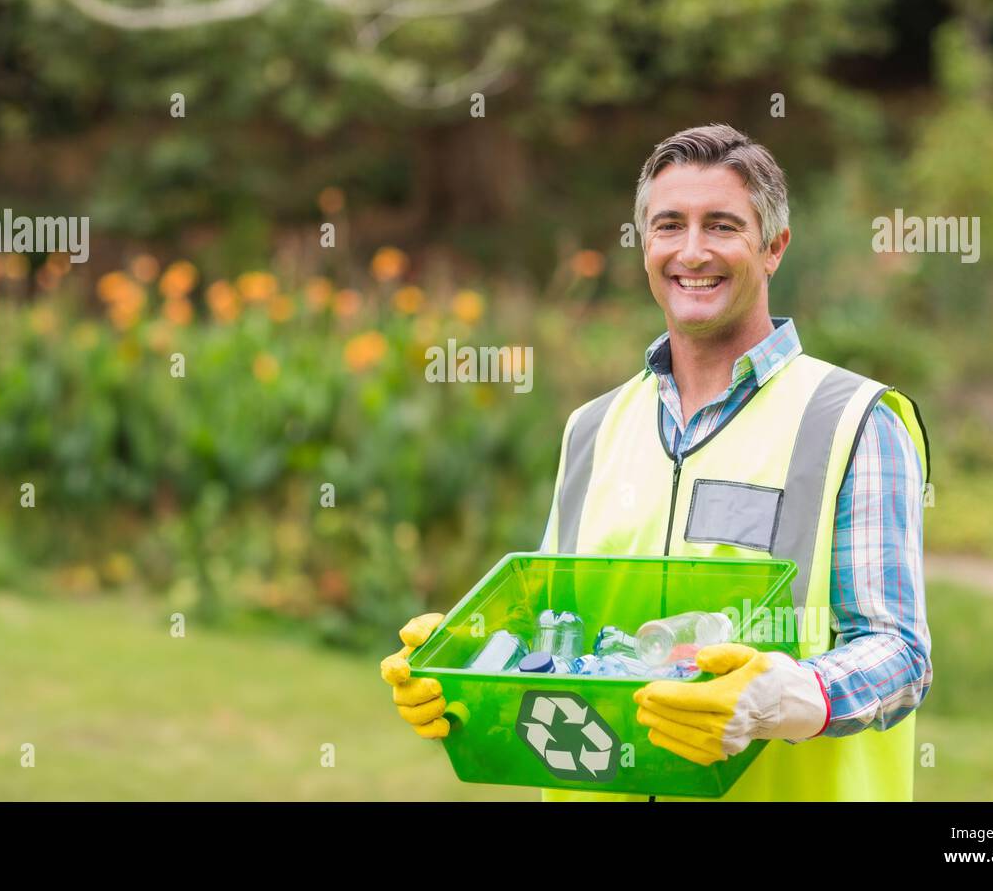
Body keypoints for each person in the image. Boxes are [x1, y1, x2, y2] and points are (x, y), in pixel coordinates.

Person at [380, 123, 932, 801]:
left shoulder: (853, 422)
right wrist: (467, 661)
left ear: (774, 248)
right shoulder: (592, 429)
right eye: (669, 225)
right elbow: (558, 635)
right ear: (645, 245)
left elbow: (900, 656)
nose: (692, 251)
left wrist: (780, 697)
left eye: (723, 226)